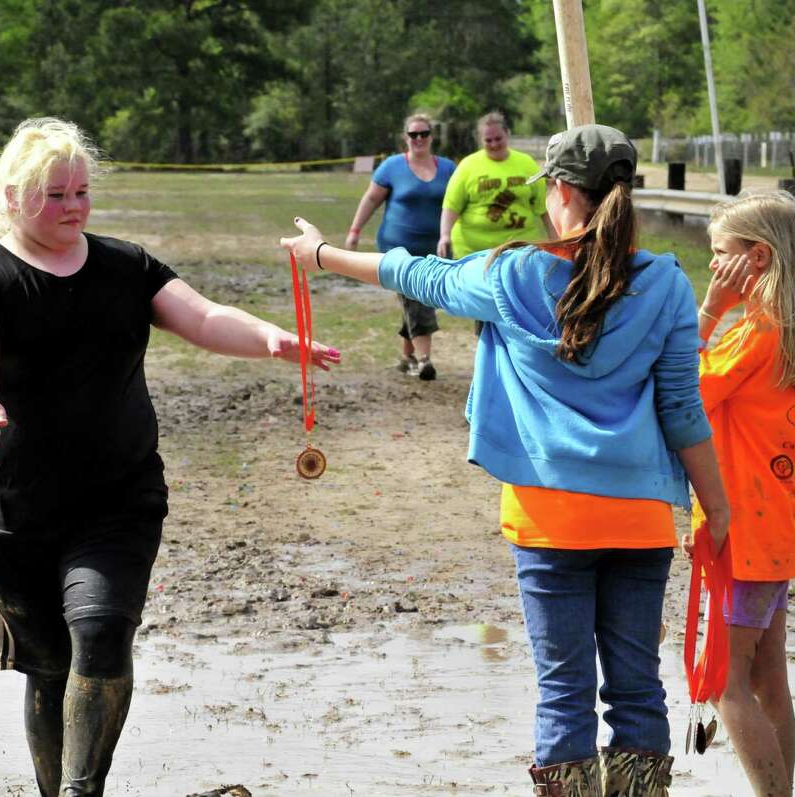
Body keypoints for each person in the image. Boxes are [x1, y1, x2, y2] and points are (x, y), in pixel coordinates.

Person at [282, 124, 731, 796]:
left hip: (549, 522)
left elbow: (414, 273)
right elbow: (682, 410)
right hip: (640, 522)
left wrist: (318, 253)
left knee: (564, 694)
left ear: (558, 192)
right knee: (638, 690)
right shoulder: (666, 283)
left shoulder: (512, 272)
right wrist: (716, 507)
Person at [0, 117, 339, 796]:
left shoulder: (126, 265)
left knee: (100, 631)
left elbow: (205, 317)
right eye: (56, 195)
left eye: (81, 192)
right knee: (49, 667)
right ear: (12, 195)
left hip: (116, 498)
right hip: (14, 510)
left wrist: (274, 340)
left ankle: (79, 792)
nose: (74, 207)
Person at [687, 192, 795, 797]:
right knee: (769, 676)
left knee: (725, 681)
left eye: (720, 254)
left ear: (757, 258)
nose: (713, 265)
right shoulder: (787, 330)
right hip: (779, 528)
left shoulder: (749, 336)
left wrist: (709, 309)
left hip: (742, 533)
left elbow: (680, 389)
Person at [345, 113, 455, 380]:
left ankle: (406, 357)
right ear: (405, 137)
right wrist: (354, 231)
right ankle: (424, 360)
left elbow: (459, 204)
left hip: (434, 250)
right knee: (417, 297)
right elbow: (371, 200)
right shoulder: (392, 167)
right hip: (397, 249)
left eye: (424, 134)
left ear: (431, 136)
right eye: (413, 134)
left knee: (420, 298)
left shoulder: (449, 169)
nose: (419, 139)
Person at [437, 111, 552, 261]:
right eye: (488, 140)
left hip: (521, 253)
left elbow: (545, 208)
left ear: (507, 134)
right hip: (475, 254)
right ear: (480, 140)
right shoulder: (467, 166)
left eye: (498, 139)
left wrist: (556, 241)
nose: (494, 144)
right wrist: (445, 236)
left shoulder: (527, 163)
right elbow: (451, 206)